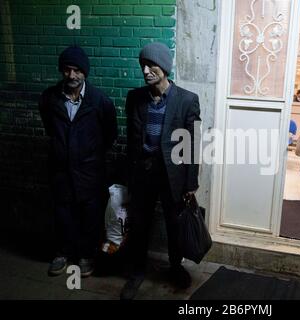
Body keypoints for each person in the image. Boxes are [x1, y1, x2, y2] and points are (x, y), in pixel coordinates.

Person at [120, 42, 201, 300]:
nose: (145, 70)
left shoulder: (187, 100)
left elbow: (194, 144)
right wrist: (129, 177)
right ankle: (136, 273)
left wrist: (190, 183)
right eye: (142, 65)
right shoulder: (135, 98)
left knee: (174, 225)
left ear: (164, 67)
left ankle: (175, 268)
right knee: (139, 224)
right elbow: (130, 141)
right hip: (143, 173)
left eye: (151, 65)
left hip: (173, 177)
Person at [39, 46, 118, 277]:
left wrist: (89, 154)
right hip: (60, 170)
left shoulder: (100, 101)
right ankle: (63, 253)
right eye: (67, 70)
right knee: (62, 213)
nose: (71, 76)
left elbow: (110, 134)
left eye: (76, 71)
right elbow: (49, 129)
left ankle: (86, 256)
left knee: (90, 215)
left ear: (85, 72)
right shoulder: (49, 98)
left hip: (90, 172)